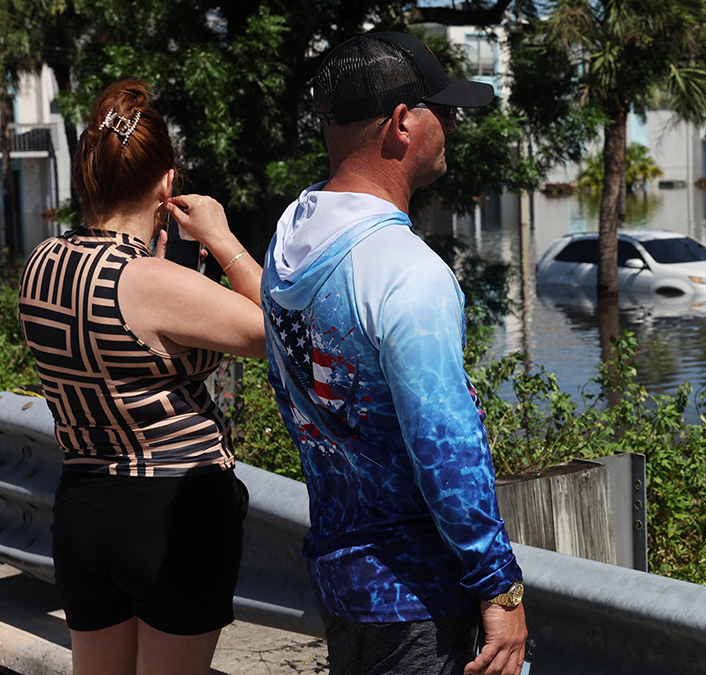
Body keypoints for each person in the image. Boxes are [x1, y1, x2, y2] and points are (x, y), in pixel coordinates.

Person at [260, 32, 527, 675]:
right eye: (444, 111)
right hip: (420, 600)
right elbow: (445, 445)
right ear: (403, 124)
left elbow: (292, 385)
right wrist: (500, 585)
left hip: (340, 580)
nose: (453, 125)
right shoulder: (407, 273)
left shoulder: (292, 236)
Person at [17, 79, 266, 675]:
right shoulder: (156, 285)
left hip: (83, 506)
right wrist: (220, 238)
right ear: (166, 183)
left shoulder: (40, 265)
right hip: (173, 509)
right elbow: (277, 332)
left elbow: (112, 352)